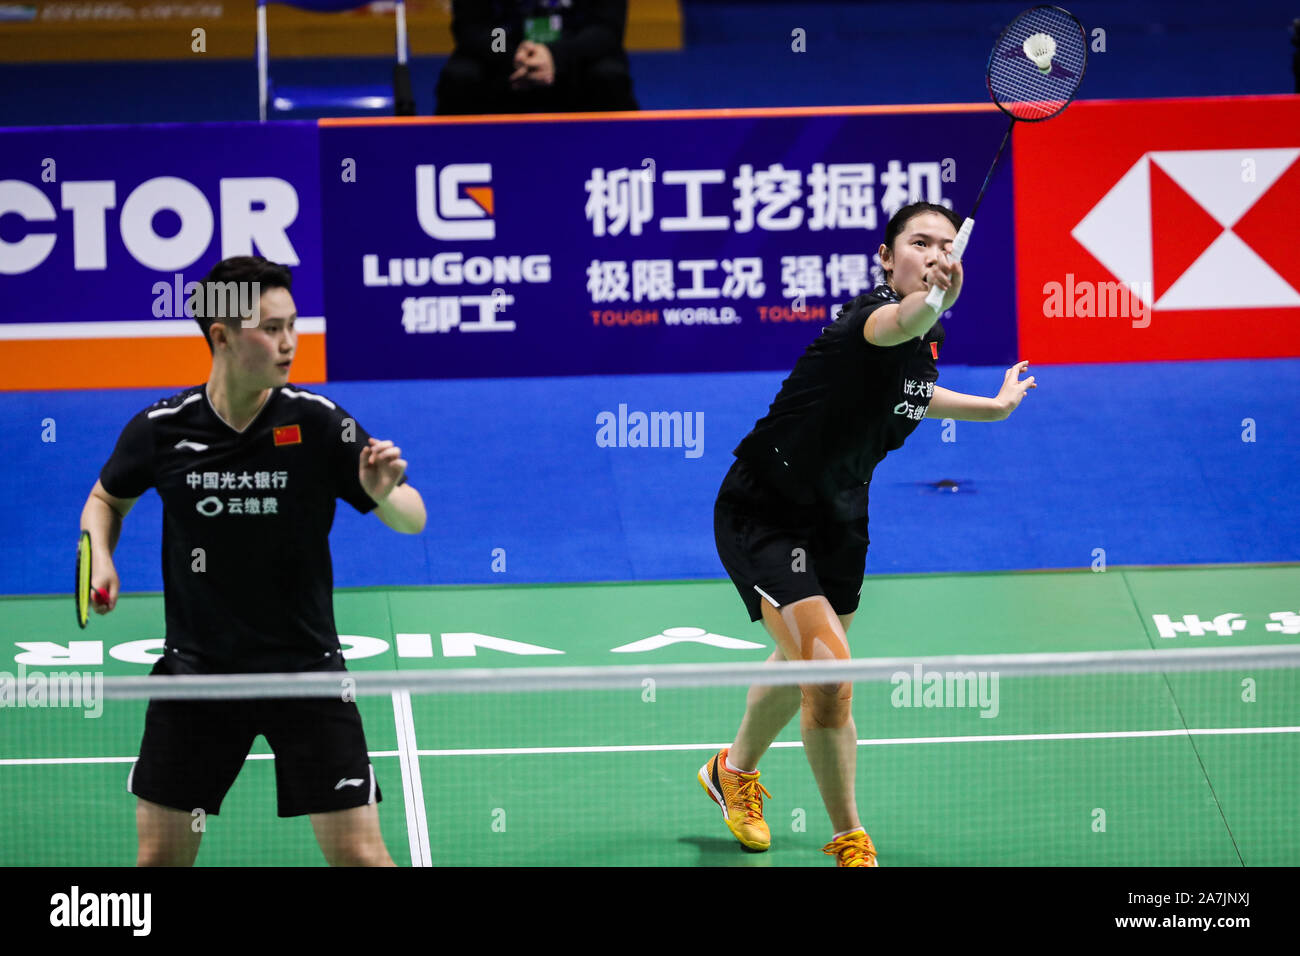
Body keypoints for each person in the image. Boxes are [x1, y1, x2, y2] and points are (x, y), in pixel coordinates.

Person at [702, 202, 1037, 867]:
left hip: (841, 518)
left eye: (946, 245)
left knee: (813, 665)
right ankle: (851, 837)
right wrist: (935, 298)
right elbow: (899, 325)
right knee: (831, 680)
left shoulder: (921, 341)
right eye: (919, 243)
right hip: (767, 511)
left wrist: (991, 409)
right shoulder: (874, 321)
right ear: (887, 258)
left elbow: (913, 392)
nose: (935, 254)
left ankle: (730, 772)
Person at [79, 256, 427, 867]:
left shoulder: (319, 425)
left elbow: (413, 516)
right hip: (200, 674)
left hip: (306, 670)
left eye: (292, 324)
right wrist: (99, 556)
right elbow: (106, 498)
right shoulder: (163, 429)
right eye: (270, 328)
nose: (288, 342)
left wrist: (381, 494)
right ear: (222, 335)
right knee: (158, 862)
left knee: (363, 858)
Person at [436, 0, 638, 115]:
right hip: (502, 55)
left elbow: (605, 27)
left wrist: (555, 56)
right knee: (459, 79)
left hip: (574, 56)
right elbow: (472, 26)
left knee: (609, 77)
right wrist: (512, 54)